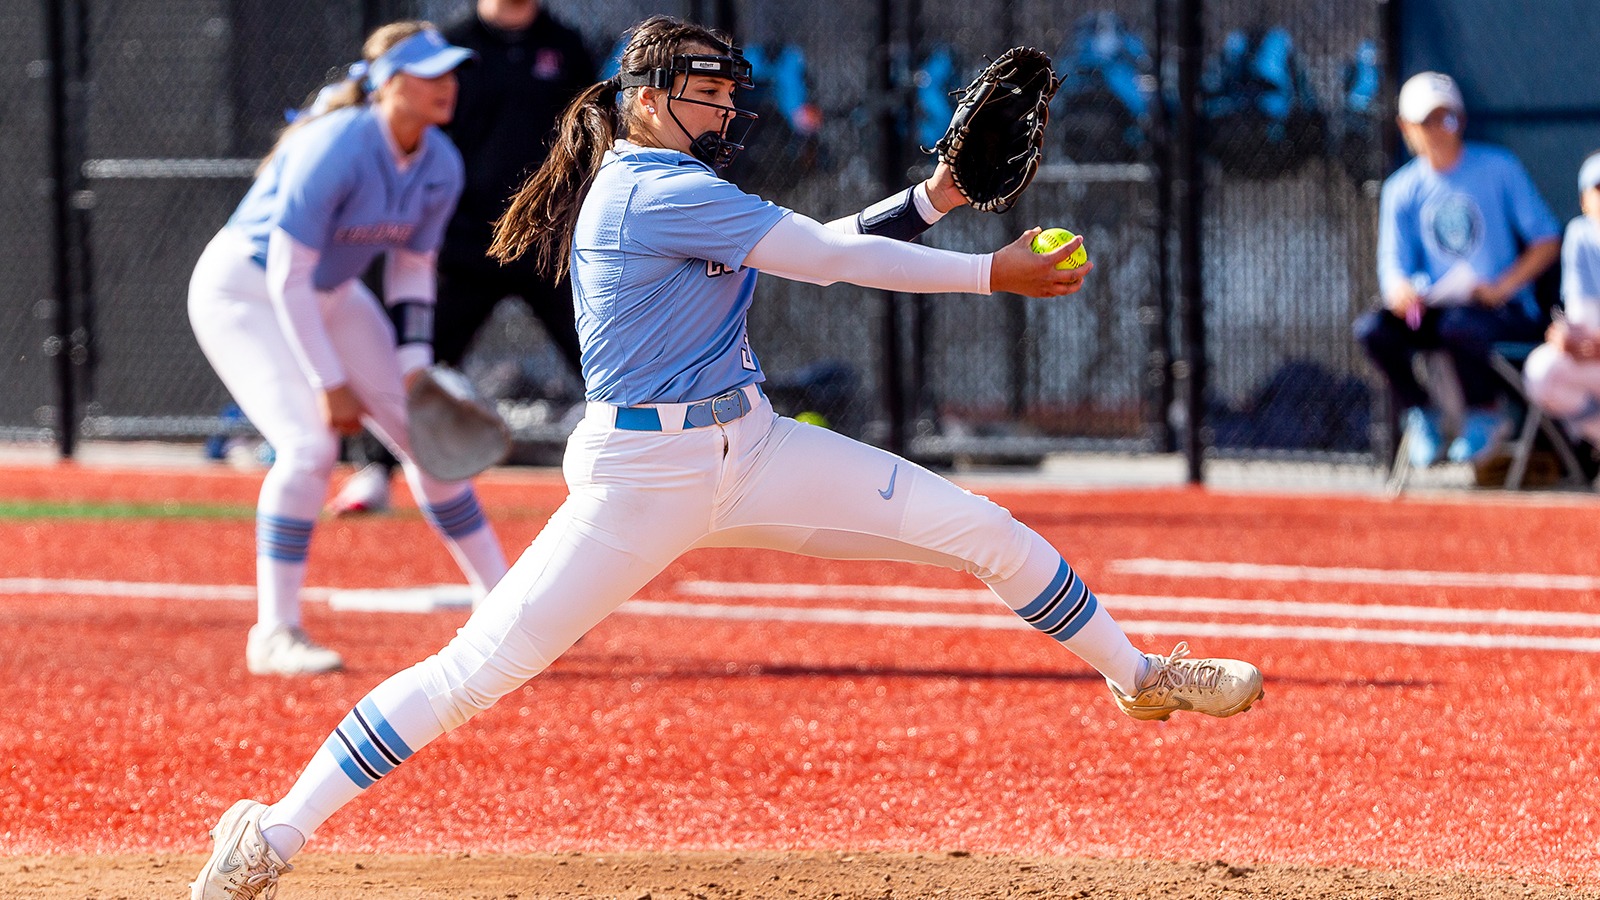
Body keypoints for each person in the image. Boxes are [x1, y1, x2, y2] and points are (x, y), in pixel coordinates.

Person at [189, 16, 1263, 897]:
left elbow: (817, 243)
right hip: (639, 483)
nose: (724, 110)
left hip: (751, 447)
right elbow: (831, 258)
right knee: (474, 673)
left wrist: (936, 197)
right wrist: (994, 274)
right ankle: (271, 833)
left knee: (988, 533)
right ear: (646, 97)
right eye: (704, 93)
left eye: (725, 93)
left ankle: (1138, 676)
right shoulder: (650, 188)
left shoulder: (680, 181)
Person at [186, 21, 509, 677]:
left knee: (426, 434)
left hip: (329, 295)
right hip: (244, 291)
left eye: (450, 72)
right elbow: (287, 277)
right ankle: (274, 632)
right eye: (429, 72)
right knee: (309, 448)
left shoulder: (439, 161)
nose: (446, 85)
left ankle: (505, 607)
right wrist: (329, 383)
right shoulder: (334, 143)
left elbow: (412, 270)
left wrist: (414, 365)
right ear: (388, 84)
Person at [329, 0, 596, 516]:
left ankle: (648, 471)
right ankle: (374, 471)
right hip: (466, 243)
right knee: (416, 358)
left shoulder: (567, 46)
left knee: (603, 355)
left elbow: (589, 137)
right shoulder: (452, 44)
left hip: (548, 243)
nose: (444, 81)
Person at [1354, 71, 1561, 470]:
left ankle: (1485, 412)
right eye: (1425, 121)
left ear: (1460, 120)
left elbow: (1547, 240)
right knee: (1372, 330)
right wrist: (1401, 291)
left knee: (1459, 325)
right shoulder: (1400, 189)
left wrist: (1501, 287)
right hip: (1436, 314)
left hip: (1502, 312)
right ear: (1405, 128)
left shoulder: (1499, 168)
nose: (1437, 130)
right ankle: (1422, 412)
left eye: (1445, 118)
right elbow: (1393, 264)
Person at [1522, 150, 1600, 468]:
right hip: (1593, 360)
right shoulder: (1580, 235)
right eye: (1599, 190)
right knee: (1541, 372)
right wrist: (1567, 333)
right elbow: (1583, 318)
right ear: (1584, 201)